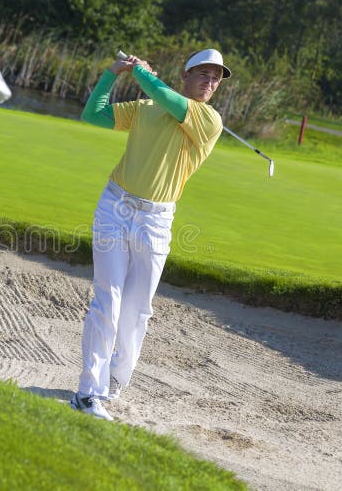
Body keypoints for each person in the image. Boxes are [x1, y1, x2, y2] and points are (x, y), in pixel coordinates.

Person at [70, 49, 231, 420]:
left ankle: (115, 379)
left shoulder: (208, 120)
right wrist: (113, 74)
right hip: (116, 206)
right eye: (203, 74)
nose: (210, 82)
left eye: (216, 78)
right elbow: (92, 114)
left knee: (138, 309)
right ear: (185, 74)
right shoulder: (145, 107)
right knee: (106, 300)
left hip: (157, 219)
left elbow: (168, 100)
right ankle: (87, 392)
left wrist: (141, 73)